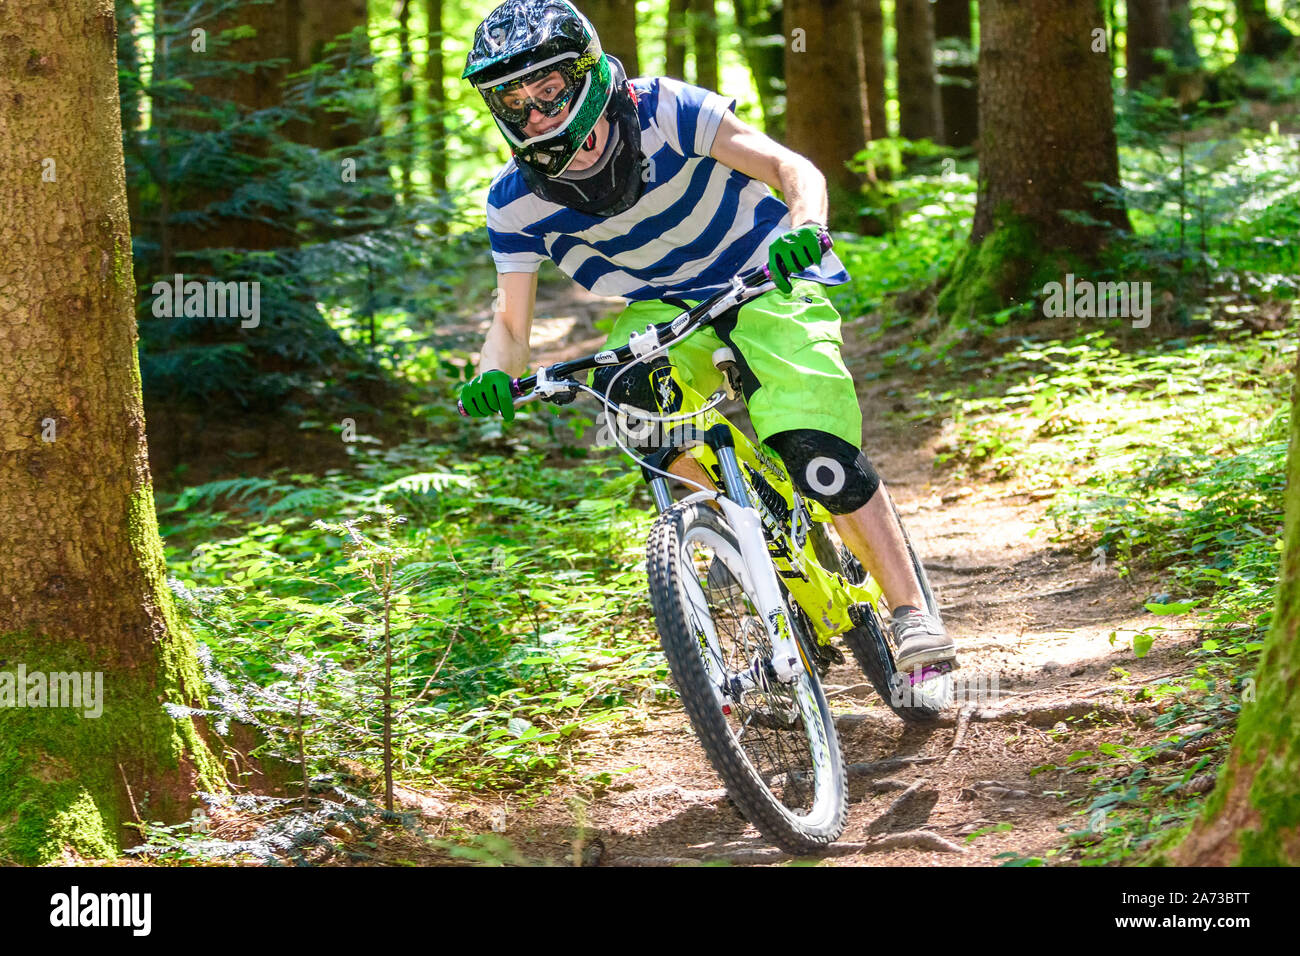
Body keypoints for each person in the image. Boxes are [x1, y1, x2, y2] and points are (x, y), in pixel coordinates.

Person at [458, 0, 957, 673]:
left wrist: (806, 226)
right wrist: (492, 373)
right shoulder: (514, 199)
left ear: (582, 75)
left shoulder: (663, 109)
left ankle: (911, 615)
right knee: (633, 403)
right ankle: (742, 546)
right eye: (512, 101)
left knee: (815, 452)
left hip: (763, 272)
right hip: (662, 304)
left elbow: (792, 169)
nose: (535, 113)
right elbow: (512, 324)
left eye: (547, 88)